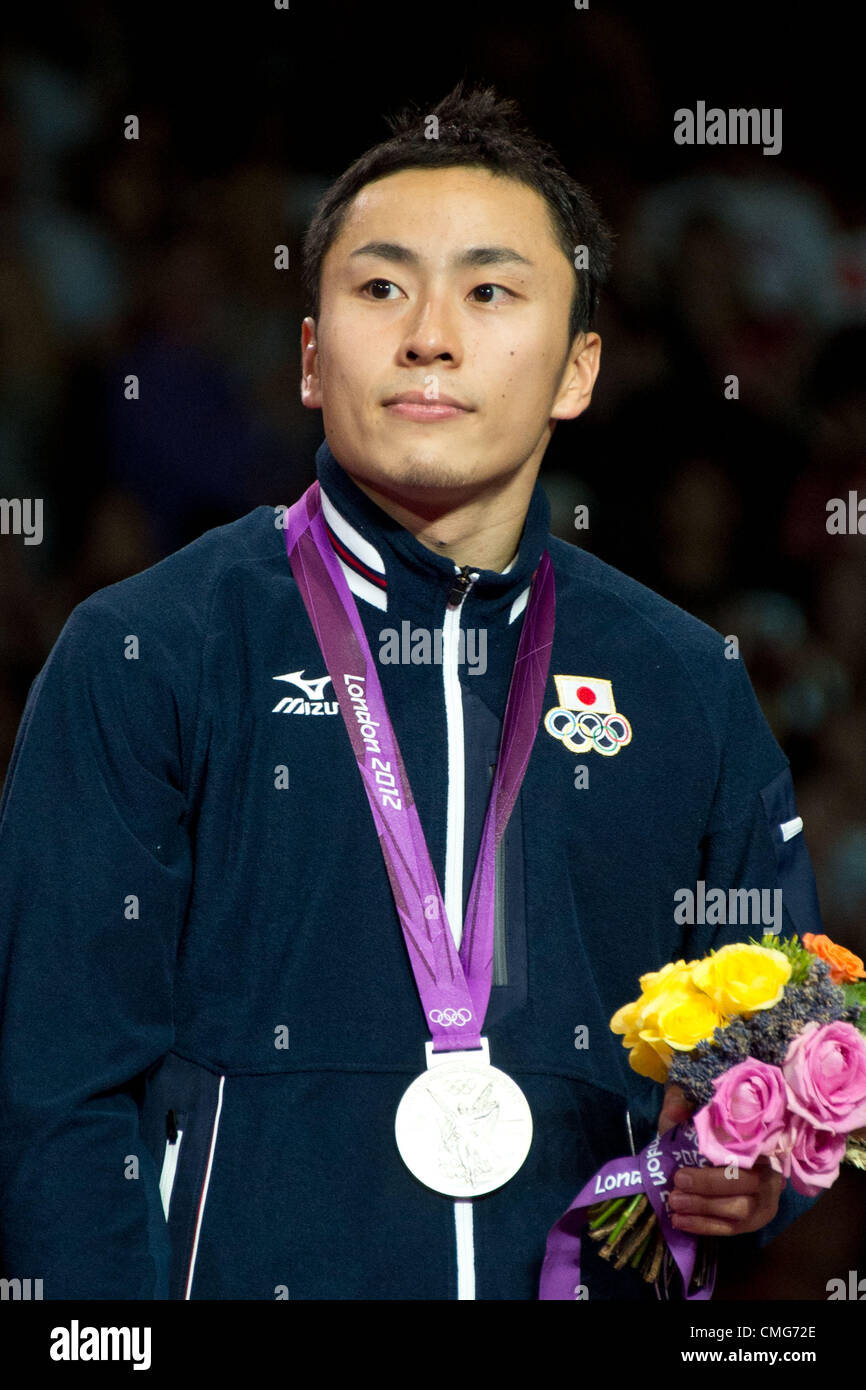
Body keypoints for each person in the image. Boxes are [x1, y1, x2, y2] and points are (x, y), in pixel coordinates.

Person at [0, 81, 822, 1300]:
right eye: (379, 287)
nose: (428, 333)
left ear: (577, 368)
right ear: (309, 358)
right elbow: (59, 1093)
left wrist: (753, 1182)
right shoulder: (150, 648)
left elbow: (769, 1042)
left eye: (490, 290)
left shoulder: (681, 682)